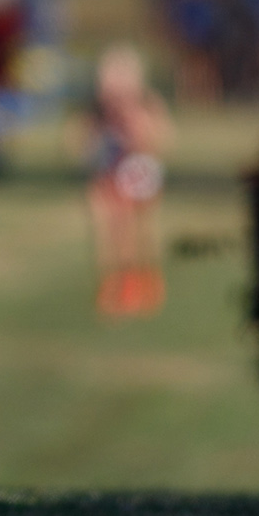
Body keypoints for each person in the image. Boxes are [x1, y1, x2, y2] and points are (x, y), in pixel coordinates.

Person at [84, 44, 173, 317]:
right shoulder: (99, 111)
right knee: (109, 230)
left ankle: (143, 283)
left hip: (138, 173)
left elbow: (162, 139)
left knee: (140, 231)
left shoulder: (146, 105)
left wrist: (139, 128)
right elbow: (83, 144)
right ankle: (114, 285)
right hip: (108, 173)